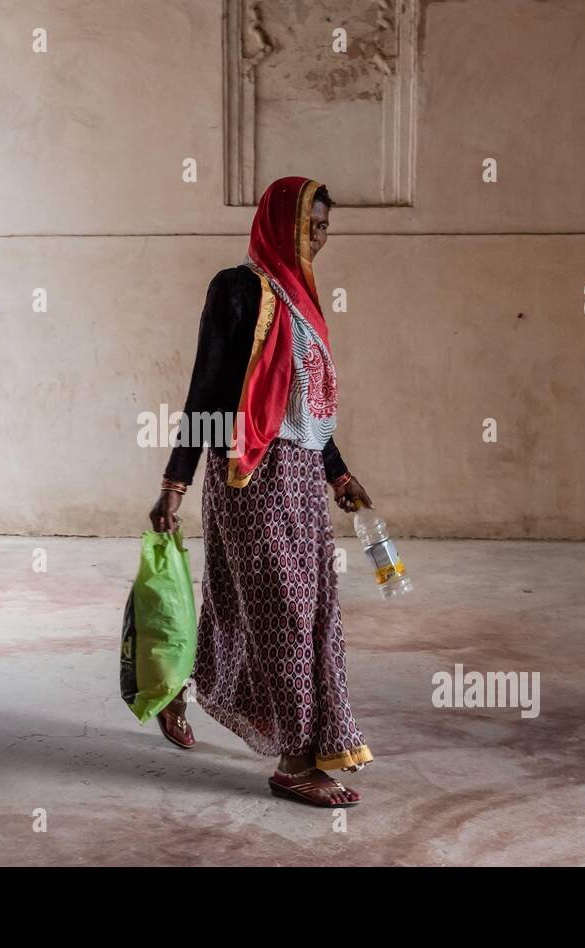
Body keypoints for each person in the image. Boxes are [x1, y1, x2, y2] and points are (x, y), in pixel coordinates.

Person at [149, 176, 374, 808]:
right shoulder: (238, 288)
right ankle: (294, 763)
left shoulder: (303, 302)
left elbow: (308, 408)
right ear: (280, 223)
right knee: (283, 612)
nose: (319, 238)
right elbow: (207, 389)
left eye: (325, 228)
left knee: (287, 612)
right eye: (310, 226)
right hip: (249, 476)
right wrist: (176, 481)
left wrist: (337, 471)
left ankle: (178, 689)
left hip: (302, 481)